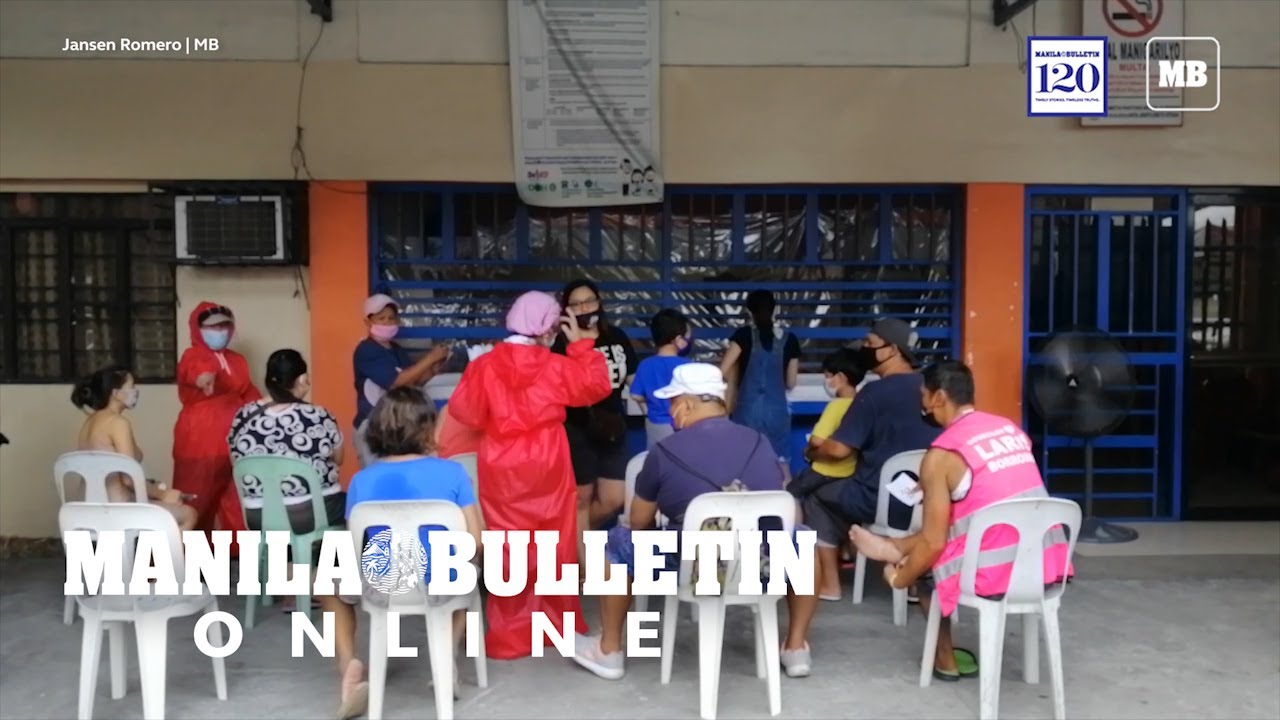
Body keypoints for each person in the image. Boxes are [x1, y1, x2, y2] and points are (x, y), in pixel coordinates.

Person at [572, 363, 821, 681]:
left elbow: (638, 521)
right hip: (759, 565)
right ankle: (796, 647)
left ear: (687, 404)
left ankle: (608, 651)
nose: (671, 412)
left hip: (694, 568)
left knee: (615, 543)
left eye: (672, 404)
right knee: (803, 541)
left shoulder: (663, 451)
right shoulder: (759, 441)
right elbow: (787, 512)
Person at [849, 361, 1073, 681]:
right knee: (954, 522)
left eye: (924, 396)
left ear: (939, 397)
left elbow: (934, 541)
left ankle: (945, 660)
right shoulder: (1009, 430)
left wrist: (899, 581)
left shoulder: (940, 456)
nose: (922, 405)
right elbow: (991, 496)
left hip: (996, 573)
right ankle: (895, 546)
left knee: (927, 563)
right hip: (1046, 565)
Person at [447, 291, 612, 659]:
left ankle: (511, 632)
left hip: (501, 459)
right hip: (547, 456)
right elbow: (596, 387)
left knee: (508, 543)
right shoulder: (554, 364)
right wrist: (582, 347)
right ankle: (556, 624)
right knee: (555, 538)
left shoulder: (484, 365)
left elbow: (467, 413)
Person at [321, 387, 482, 720]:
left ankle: (348, 663)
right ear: (428, 428)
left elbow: (358, 544)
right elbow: (475, 541)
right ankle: (446, 654)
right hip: (440, 581)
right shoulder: (452, 473)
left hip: (382, 580)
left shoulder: (362, 480)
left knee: (327, 582)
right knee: (471, 566)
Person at [801, 318, 940, 599]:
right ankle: (915, 581)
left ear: (894, 350)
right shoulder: (932, 388)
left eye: (869, 344)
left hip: (878, 499)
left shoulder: (874, 393)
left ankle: (830, 584)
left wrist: (812, 452)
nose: (864, 349)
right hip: (929, 499)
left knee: (815, 497)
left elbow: (839, 450)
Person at [551, 279, 638, 535]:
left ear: (599, 303)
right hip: (577, 429)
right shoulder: (561, 343)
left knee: (614, 499)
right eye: (576, 304)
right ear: (567, 309)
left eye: (589, 301)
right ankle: (576, 558)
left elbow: (633, 377)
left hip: (612, 425)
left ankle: (569, 542)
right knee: (580, 500)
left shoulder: (616, 335)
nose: (583, 308)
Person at [227, 349, 346, 534]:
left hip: (259, 516)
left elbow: (235, 462)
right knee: (356, 505)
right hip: (311, 513)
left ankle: (290, 559)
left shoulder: (242, 415)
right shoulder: (319, 415)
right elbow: (339, 458)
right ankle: (326, 560)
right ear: (302, 379)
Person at [173, 302, 261, 537]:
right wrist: (204, 378)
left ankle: (237, 549)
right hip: (201, 440)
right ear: (197, 328)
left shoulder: (237, 360)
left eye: (224, 325)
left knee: (236, 495)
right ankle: (173, 555)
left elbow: (249, 393)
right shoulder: (193, 355)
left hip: (235, 438)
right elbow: (198, 371)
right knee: (196, 496)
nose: (220, 331)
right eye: (213, 326)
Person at [72, 366, 197, 530]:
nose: (135, 391)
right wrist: (164, 494)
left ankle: (147, 554)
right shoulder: (118, 424)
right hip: (117, 507)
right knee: (188, 514)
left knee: (159, 499)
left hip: (86, 506)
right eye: (131, 387)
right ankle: (160, 556)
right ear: (116, 394)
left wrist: (153, 488)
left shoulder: (89, 422)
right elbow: (128, 479)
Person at [788, 347, 865, 600]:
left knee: (789, 495)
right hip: (851, 473)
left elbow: (819, 440)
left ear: (841, 378)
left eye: (828, 375)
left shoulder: (836, 406)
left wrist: (809, 449)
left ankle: (792, 551)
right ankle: (844, 552)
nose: (826, 381)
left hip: (824, 470)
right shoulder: (864, 405)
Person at [352, 293, 450, 468]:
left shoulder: (396, 350)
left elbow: (413, 383)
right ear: (368, 322)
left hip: (395, 427)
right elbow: (396, 382)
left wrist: (434, 368)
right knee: (377, 478)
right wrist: (429, 358)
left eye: (391, 318)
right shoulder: (366, 350)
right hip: (372, 425)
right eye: (382, 318)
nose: (388, 323)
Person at [719, 290, 800, 469]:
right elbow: (791, 382)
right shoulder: (790, 340)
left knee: (743, 464)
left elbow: (722, 371)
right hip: (777, 414)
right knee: (780, 465)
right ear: (774, 310)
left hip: (747, 412)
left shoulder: (742, 336)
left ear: (749, 312)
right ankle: (785, 496)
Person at [629, 308, 693, 448]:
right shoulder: (687, 365)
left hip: (655, 424)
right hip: (682, 423)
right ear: (677, 339)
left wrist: (652, 398)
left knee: (657, 462)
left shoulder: (645, 365)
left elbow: (635, 395)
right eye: (686, 336)